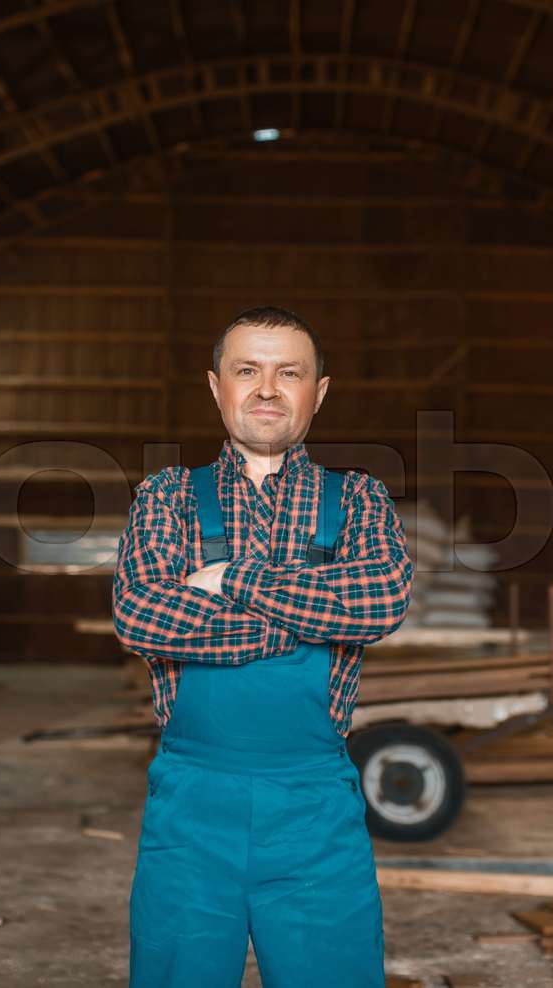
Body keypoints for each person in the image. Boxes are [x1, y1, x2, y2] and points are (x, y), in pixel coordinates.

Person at [112, 305, 414, 986]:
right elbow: (141, 616)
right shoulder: (166, 498)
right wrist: (311, 612)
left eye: (289, 373)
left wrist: (231, 580)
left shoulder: (360, 500)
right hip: (192, 806)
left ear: (319, 391)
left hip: (313, 808)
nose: (267, 389)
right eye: (247, 370)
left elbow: (379, 602)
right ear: (216, 385)